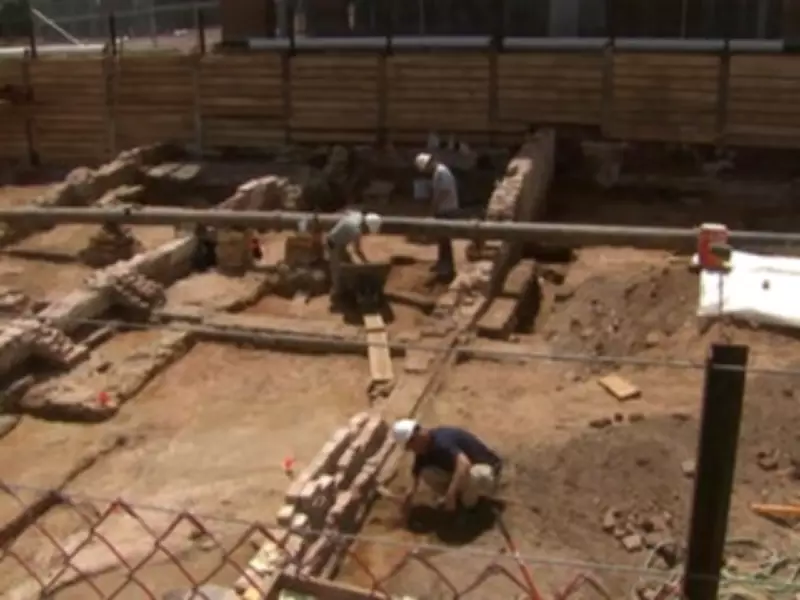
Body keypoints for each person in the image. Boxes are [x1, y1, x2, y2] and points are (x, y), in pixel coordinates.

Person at [391, 419, 502, 513]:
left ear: (414, 438)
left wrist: (451, 493)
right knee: (428, 473)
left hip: (486, 471)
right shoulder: (424, 447)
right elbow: (417, 472)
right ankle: (459, 500)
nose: (412, 450)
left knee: (475, 475)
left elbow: (464, 464)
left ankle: (470, 509)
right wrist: (409, 494)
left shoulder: (442, 441)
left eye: (410, 446)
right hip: (463, 473)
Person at [414, 152, 459, 280]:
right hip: (444, 208)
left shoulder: (441, 173)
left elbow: (442, 192)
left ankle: (447, 268)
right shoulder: (438, 172)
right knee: (441, 239)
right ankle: (442, 263)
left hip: (446, 209)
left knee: (445, 240)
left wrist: (433, 208)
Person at [326, 210, 382, 301]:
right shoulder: (356, 230)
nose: (366, 232)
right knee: (338, 270)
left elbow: (347, 211)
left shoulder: (358, 215)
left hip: (340, 243)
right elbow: (357, 250)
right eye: (367, 230)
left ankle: (347, 288)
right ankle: (336, 295)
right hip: (332, 244)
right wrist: (366, 263)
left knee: (348, 265)